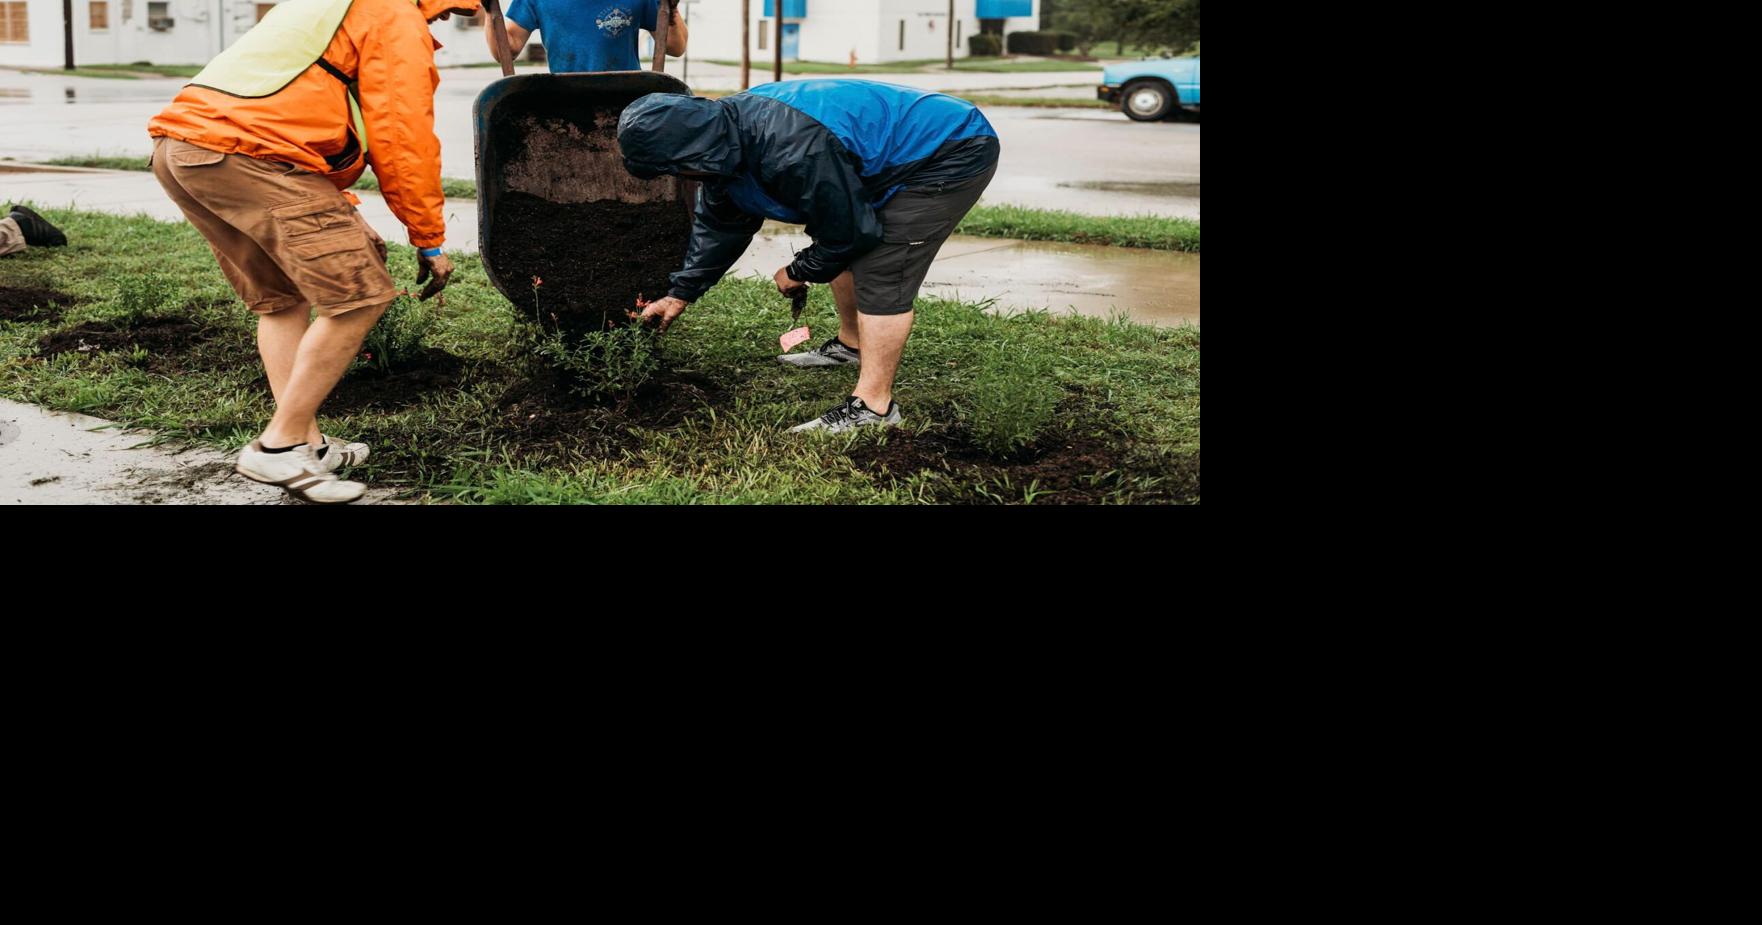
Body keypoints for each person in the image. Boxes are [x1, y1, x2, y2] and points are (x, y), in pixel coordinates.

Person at [146, 0, 478, 503]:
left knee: (282, 300)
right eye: (451, 8)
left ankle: (307, 444)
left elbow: (293, 108)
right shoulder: (395, 15)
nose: (448, 18)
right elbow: (401, 134)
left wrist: (341, 205)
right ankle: (277, 450)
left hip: (186, 150)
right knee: (360, 297)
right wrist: (428, 236)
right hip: (248, 155)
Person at [617, 79, 1000, 432]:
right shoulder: (724, 144)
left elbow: (853, 232)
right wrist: (680, 293)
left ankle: (874, 407)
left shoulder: (788, 150)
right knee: (835, 235)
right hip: (888, 152)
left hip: (949, 148)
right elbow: (722, 227)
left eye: (673, 168)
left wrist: (799, 269)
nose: (679, 177)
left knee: (882, 267)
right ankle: (852, 347)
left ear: (690, 149)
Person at [490, 0, 686, 71]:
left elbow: (676, 47)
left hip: (628, 102)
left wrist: (672, 11)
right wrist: (489, 10)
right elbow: (507, 49)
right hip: (564, 103)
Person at [0, 204, 67, 256]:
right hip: (14, 228)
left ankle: (17, 221)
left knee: (58, 240)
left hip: (19, 226)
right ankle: (15, 222)